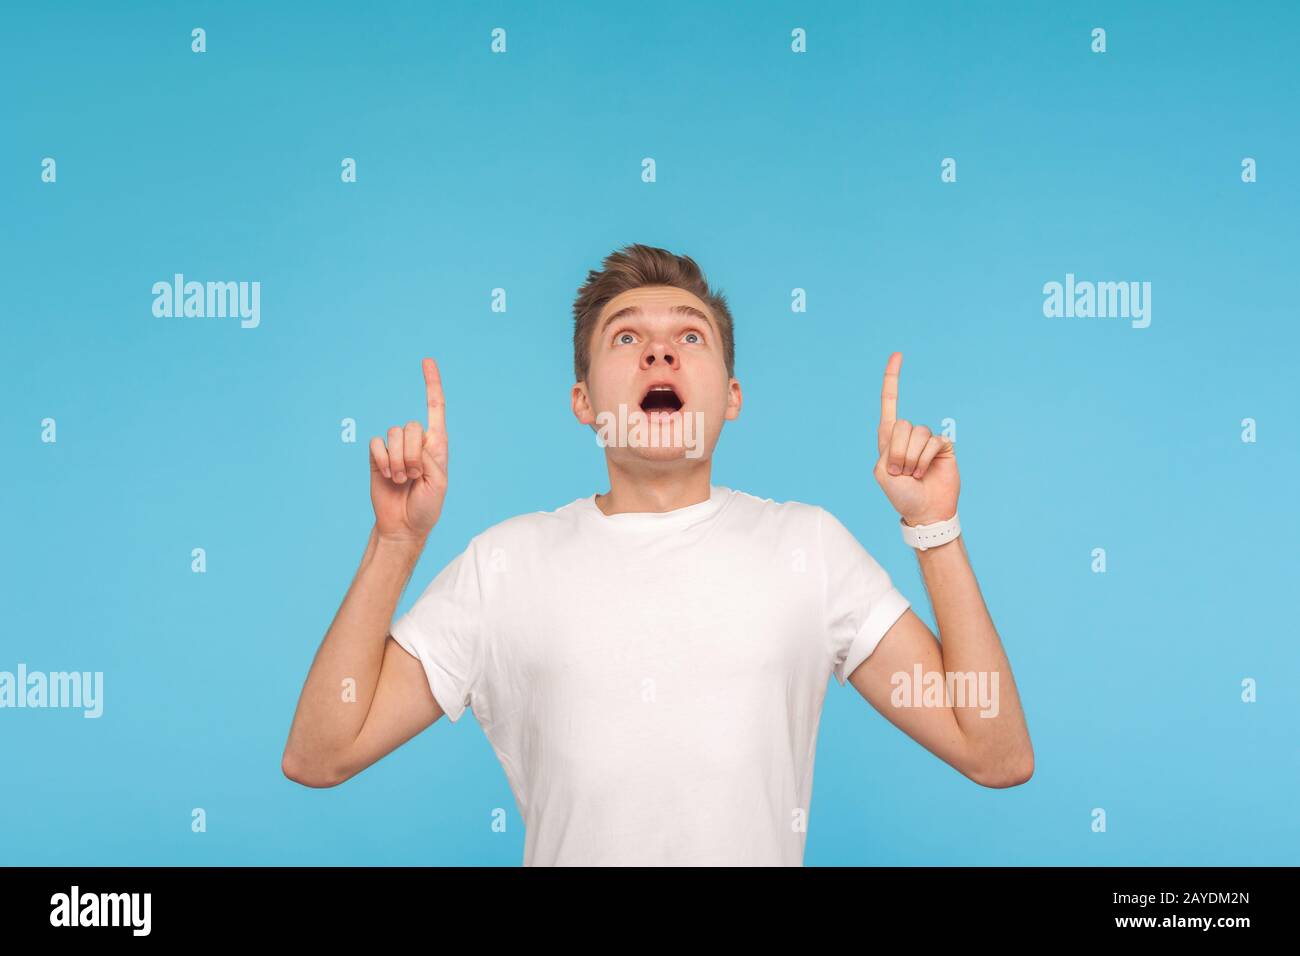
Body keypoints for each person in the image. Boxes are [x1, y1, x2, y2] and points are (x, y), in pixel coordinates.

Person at [281, 243, 1034, 866]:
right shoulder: (505, 564)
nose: (661, 352)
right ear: (584, 401)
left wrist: (935, 529)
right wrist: (395, 541)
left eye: (690, 336)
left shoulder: (808, 549)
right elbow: (323, 753)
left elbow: (992, 750)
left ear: (731, 395)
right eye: (627, 337)